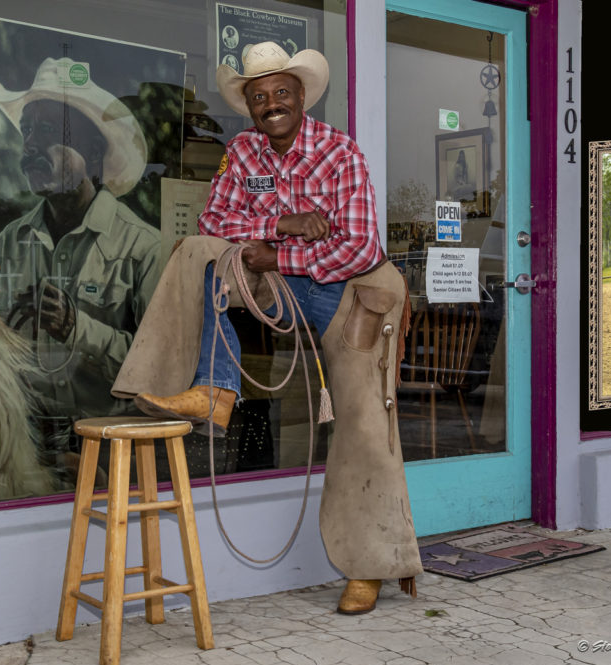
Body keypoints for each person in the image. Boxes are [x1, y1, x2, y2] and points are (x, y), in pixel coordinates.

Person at [111, 42, 422, 614]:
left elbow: (357, 248)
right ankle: (214, 387)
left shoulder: (340, 152)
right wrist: (286, 223)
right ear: (249, 106)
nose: (271, 104)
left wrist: (278, 256)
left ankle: (368, 566)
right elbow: (213, 221)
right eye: (259, 97)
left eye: (282, 92)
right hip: (277, 273)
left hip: (353, 293)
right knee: (201, 250)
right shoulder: (242, 153)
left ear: (302, 96)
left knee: (364, 426)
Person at [0, 57, 161, 453]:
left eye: (47, 130)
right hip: (19, 458)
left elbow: (161, 374)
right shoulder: (2, 250)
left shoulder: (144, 249)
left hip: (116, 459)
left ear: (94, 152)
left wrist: (79, 330)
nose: (29, 145)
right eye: (27, 131)